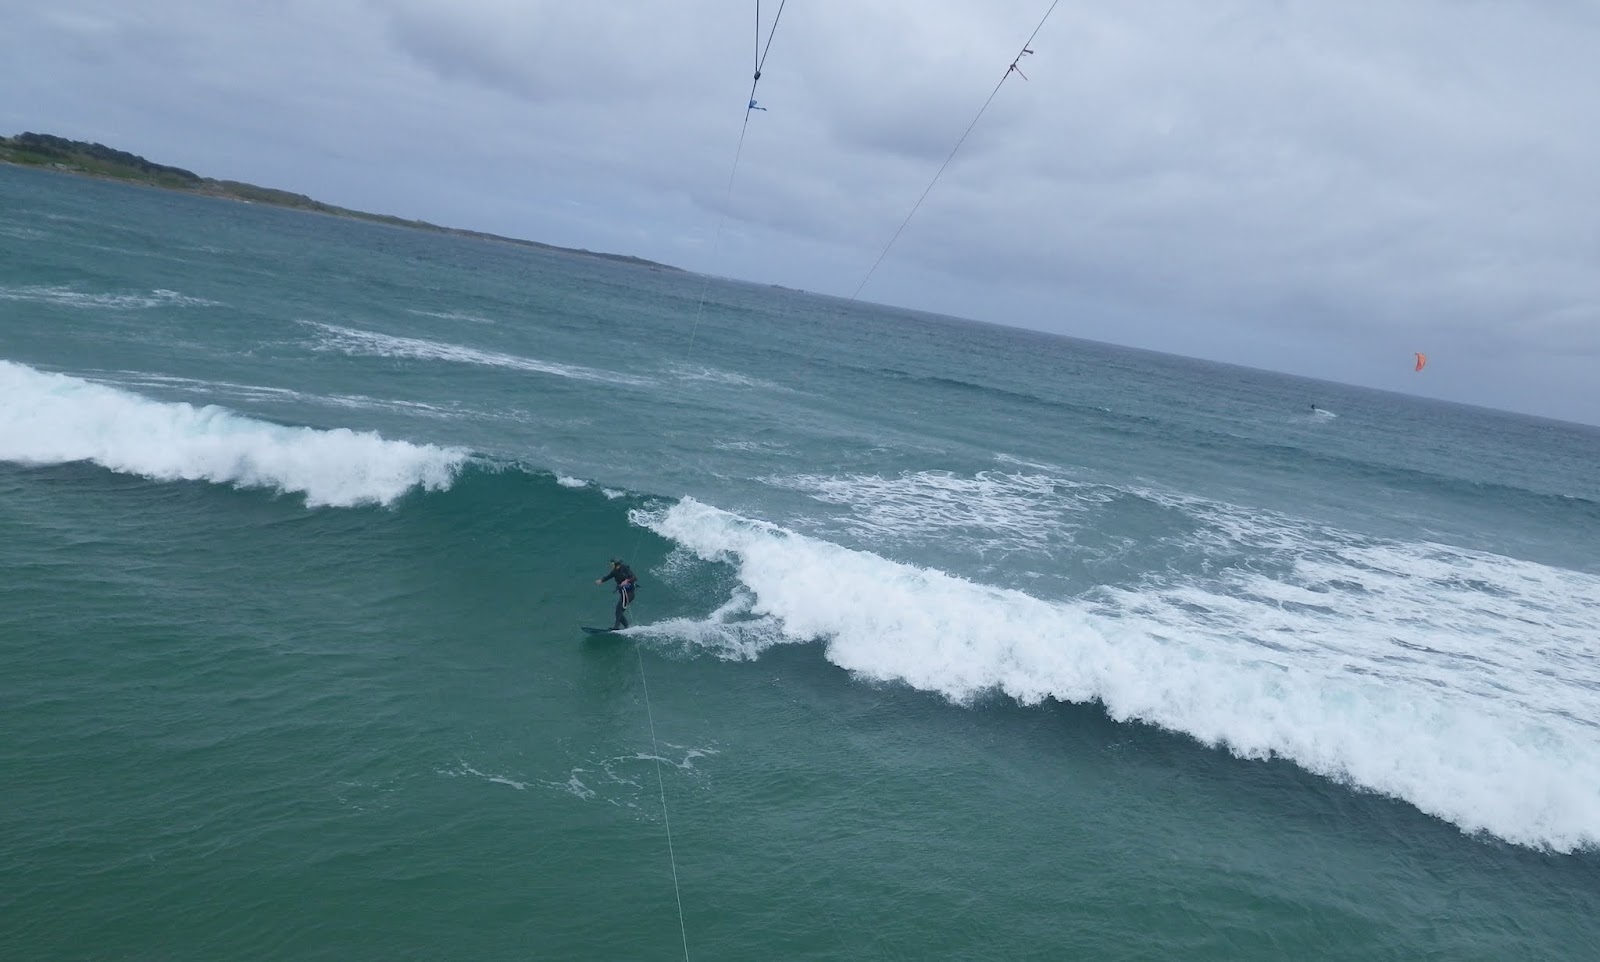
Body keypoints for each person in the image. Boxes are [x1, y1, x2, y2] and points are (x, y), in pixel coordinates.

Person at [595, 559, 638, 630]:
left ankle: (616, 627)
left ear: (617, 565)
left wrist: (627, 581)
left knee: (619, 610)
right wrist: (601, 581)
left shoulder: (624, 568)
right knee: (618, 611)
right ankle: (627, 628)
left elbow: (634, 578)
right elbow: (608, 576)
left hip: (629, 594)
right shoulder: (615, 571)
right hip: (624, 594)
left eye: (612, 564)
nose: (610, 566)